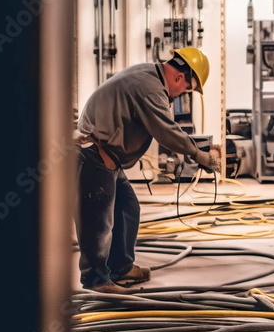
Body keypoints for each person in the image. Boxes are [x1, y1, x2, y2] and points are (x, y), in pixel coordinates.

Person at [75, 47, 221, 294]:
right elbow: (166, 130)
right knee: (98, 221)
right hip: (94, 154)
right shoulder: (151, 87)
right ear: (179, 77)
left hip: (108, 154)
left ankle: (121, 267)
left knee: (127, 207)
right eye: (186, 89)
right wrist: (199, 155)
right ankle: (96, 280)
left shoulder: (149, 75)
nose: (182, 94)